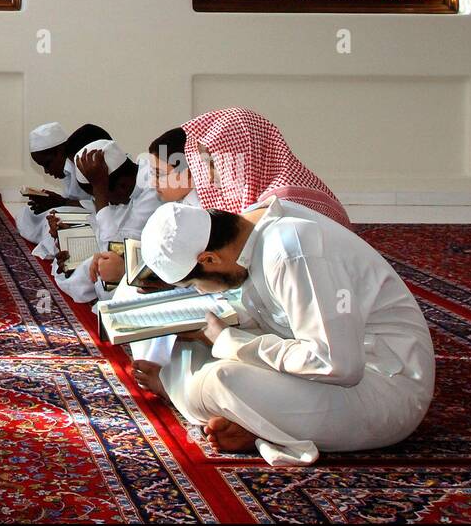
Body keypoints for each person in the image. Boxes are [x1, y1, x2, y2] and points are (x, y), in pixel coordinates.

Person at [134, 199, 434, 465]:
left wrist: (232, 342)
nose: (200, 291)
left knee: (215, 382)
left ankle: (196, 399)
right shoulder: (253, 230)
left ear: (209, 259)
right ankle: (261, 422)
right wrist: (215, 332)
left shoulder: (291, 252)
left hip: (385, 391)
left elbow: (337, 364)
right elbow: (273, 311)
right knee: (191, 347)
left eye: (194, 284)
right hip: (337, 370)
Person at [142, 109, 350, 227]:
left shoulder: (280, 202)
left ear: (247, 156)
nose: (209, 176)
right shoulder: (271, 188)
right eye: (205, 164)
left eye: (215, 164)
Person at [50, 138, 161, 304]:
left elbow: (114, 249)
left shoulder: (154, 192)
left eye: (99, 194)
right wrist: (73, 237)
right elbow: (110, 233)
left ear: (122, 186)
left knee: (105, 272)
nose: (99, 200)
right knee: (78, 262)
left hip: (155, 266)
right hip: (129, 253)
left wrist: (101, 193)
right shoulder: (129, 185)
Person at [26, 123, 113, 261]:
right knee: (33, 212)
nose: (46, 171)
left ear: (60, 150)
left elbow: (107, 205)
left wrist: (62, 203)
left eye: (47, 164)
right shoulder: (73, 163)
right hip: (95, 215)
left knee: (57, 215)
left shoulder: (91, 164)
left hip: (102, 216)